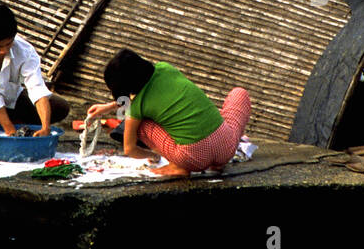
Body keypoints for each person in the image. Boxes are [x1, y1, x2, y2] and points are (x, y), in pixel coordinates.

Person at [87, 49, 251, 178]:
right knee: (239, 93)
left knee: (141, 125)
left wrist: (153, 156)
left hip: (192, 159)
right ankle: (217, 163)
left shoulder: (135, 108)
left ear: (124, 88)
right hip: (225, 147)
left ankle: (177, 167)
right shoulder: (166, 68)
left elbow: (129, 149)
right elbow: (161, 95)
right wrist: (108, 107)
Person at [0, 4, 70, 154]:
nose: (3, 51)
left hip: (10, 99)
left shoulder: (26, 51)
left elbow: (37, 89)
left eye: (8, 44)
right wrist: (10, 132)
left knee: (59, 106)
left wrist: (45, 128)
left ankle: (19, 123)